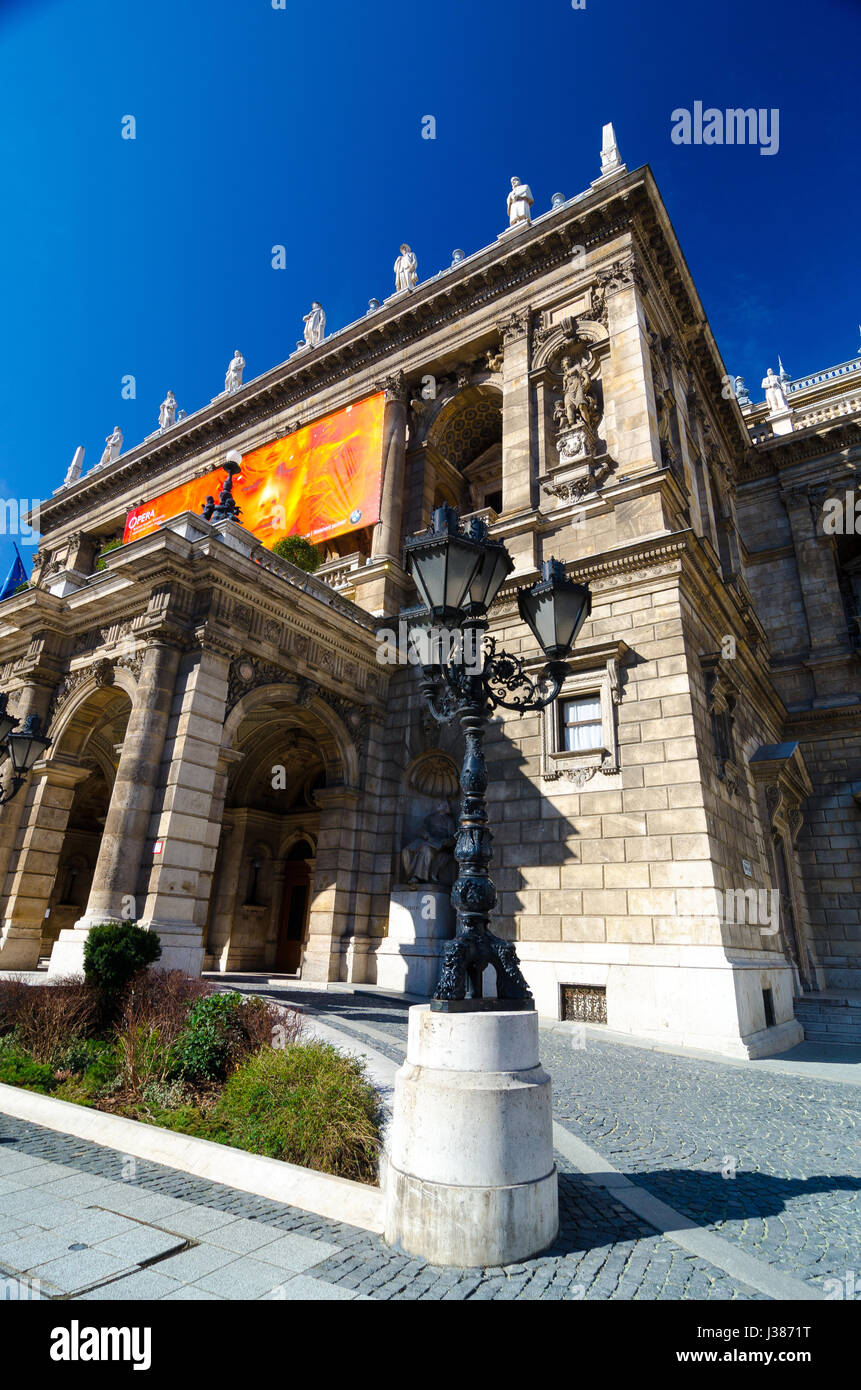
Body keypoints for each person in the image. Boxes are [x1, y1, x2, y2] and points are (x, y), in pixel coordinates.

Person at [401, 801, 457, 886]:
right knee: (407, 850)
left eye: (441, 804)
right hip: (426, 840)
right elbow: (422, 829)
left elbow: (453, 837)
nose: (438, 805)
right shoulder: (430, 818)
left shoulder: (449, 821)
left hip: (439, 845)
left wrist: (445, 842)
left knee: (426, 849)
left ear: (446, 807)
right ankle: (409, 875)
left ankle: (418, 877)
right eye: (438, 804)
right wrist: (427, 836)